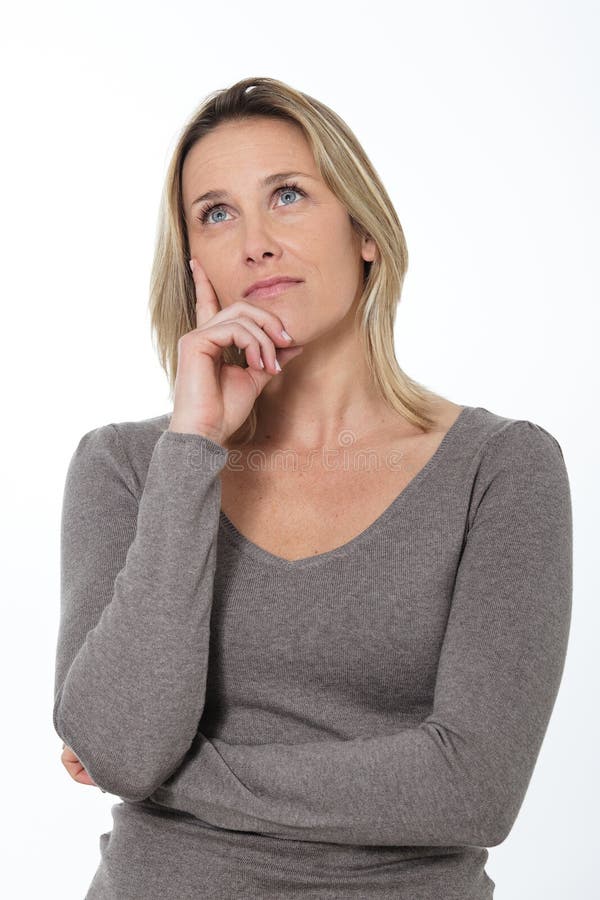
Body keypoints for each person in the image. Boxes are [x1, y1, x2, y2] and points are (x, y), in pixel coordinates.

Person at [53, 76, 573, 899]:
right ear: (193, 262)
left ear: (364, 230)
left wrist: (170, 775)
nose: (255, 241)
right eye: (216, 214)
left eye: (288, 195)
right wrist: (192, 448)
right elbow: (120, 739)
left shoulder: (502, 470)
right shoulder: (125, 466)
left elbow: (475, 787)